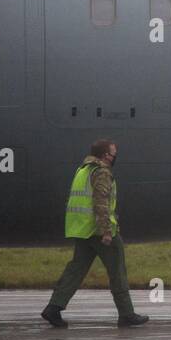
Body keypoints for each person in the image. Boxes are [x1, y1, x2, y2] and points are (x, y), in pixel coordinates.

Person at [41, 139, 149, 328]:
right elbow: (100, 202)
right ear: (105, 155)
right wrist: (106, 231)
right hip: (99, 231)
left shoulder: (83, 170)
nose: (115, 156)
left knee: (76, 270)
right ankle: (126, 314)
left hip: (83, 230)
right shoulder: (102, 172)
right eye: (113, 152)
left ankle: (54, 308)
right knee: (117, 271)